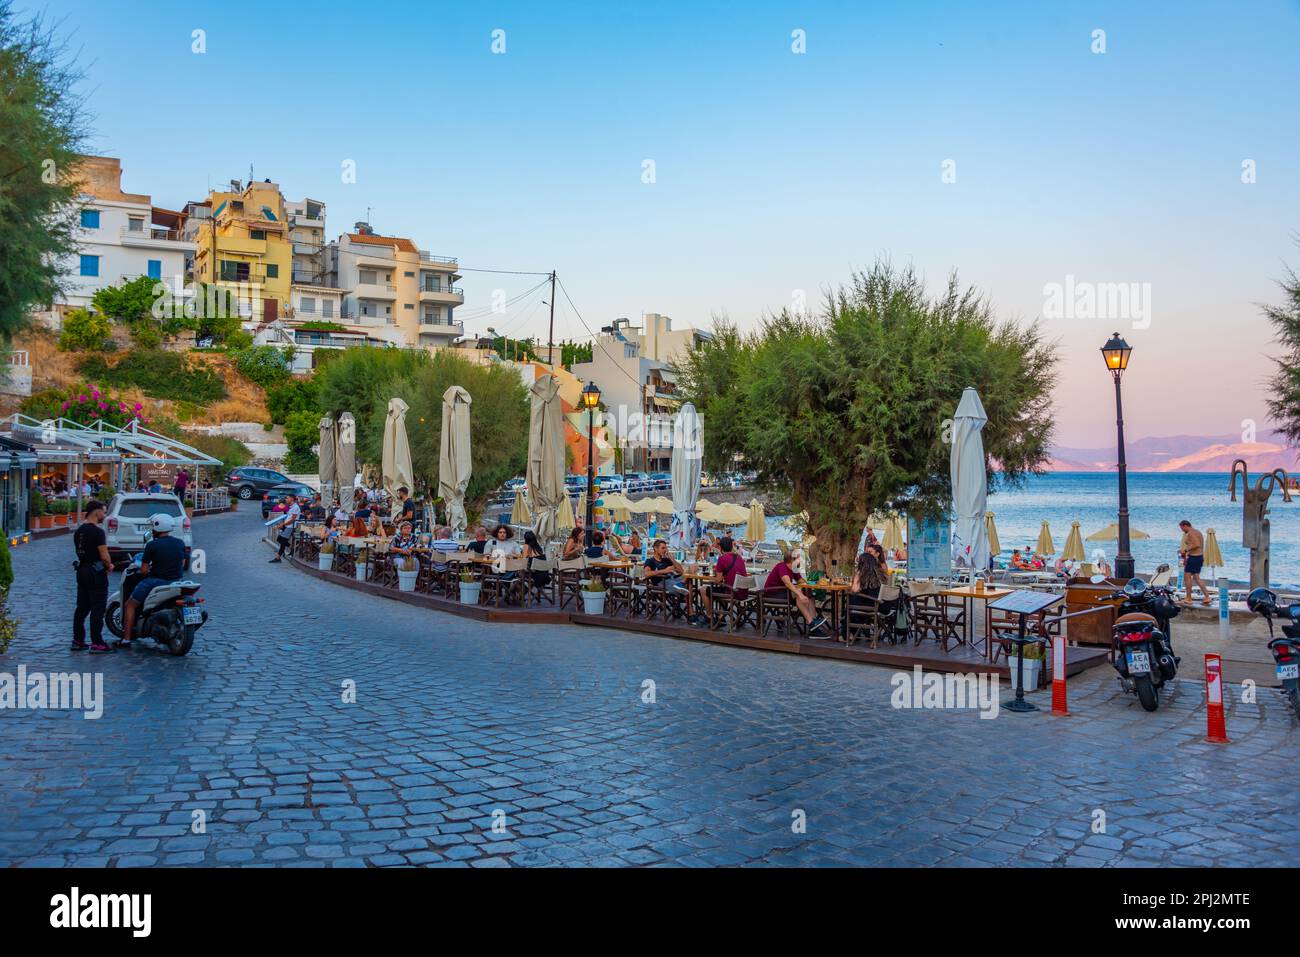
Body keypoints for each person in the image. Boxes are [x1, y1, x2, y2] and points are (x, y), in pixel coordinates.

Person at [119, 513, 188, 648]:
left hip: (156, 581)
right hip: (176, 581)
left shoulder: (152, 545)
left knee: (130, 605)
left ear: (157, 528)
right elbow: (182, 563)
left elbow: (144, 570)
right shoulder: (180, 542)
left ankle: (126, 639)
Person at [71, 499, 113, 654]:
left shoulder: (79, 531)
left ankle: (78, 639)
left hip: (82, 569)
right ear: (96, 512)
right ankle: (97, 642)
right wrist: (109, 566)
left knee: (82, 607)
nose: (105, 515)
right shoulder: (97, 532)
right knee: (97, 607)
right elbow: (104, 556)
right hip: (95, 572)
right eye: (104, 511)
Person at [763, 550, 829, 636]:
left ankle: (813, 622)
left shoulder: (794, 569)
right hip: (773, 594)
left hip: (783, 592)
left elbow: (801, 581)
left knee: (810, 595)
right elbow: (788, 583)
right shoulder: (782, 567)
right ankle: (811, 623)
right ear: (792, 560)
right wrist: (800, 594)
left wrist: (813, 584)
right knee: (798, 596)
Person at [1178, 519, 1212, 605]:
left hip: (1194, 558)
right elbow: (1196, 545)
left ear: (1185, 526)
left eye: (1182, 528)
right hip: (1199, 557)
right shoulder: (1198, 532)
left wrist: (1185, 550)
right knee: (1197, 577)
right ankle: (1207, 596)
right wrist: (1186, 555)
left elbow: (1197, 544)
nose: (1182, 530)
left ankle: (1188, 598)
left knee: (1187, 577)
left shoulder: (1191, 533)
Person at [269, 494, 300, 563]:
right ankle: (293, 547)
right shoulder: (291, 507)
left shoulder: (295, 507)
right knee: (280, 539)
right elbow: (288, 517)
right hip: (287, 526)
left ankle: (278, 558)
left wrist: (283, 524)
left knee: (282, 541)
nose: (286, 499)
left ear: (292, 499)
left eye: (287, 498)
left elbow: (292, 519)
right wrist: (282, 524)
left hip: (290, 527)